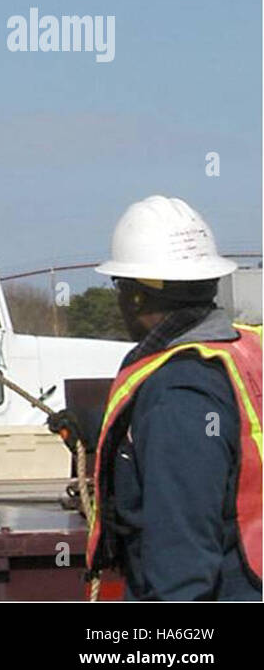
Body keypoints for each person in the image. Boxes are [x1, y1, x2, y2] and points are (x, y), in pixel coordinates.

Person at [64, 196, 260, 600]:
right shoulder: (243, 352)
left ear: (137, 295)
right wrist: (112, 432)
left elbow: (182, 558)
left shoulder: (178, 393)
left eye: (120, 286)